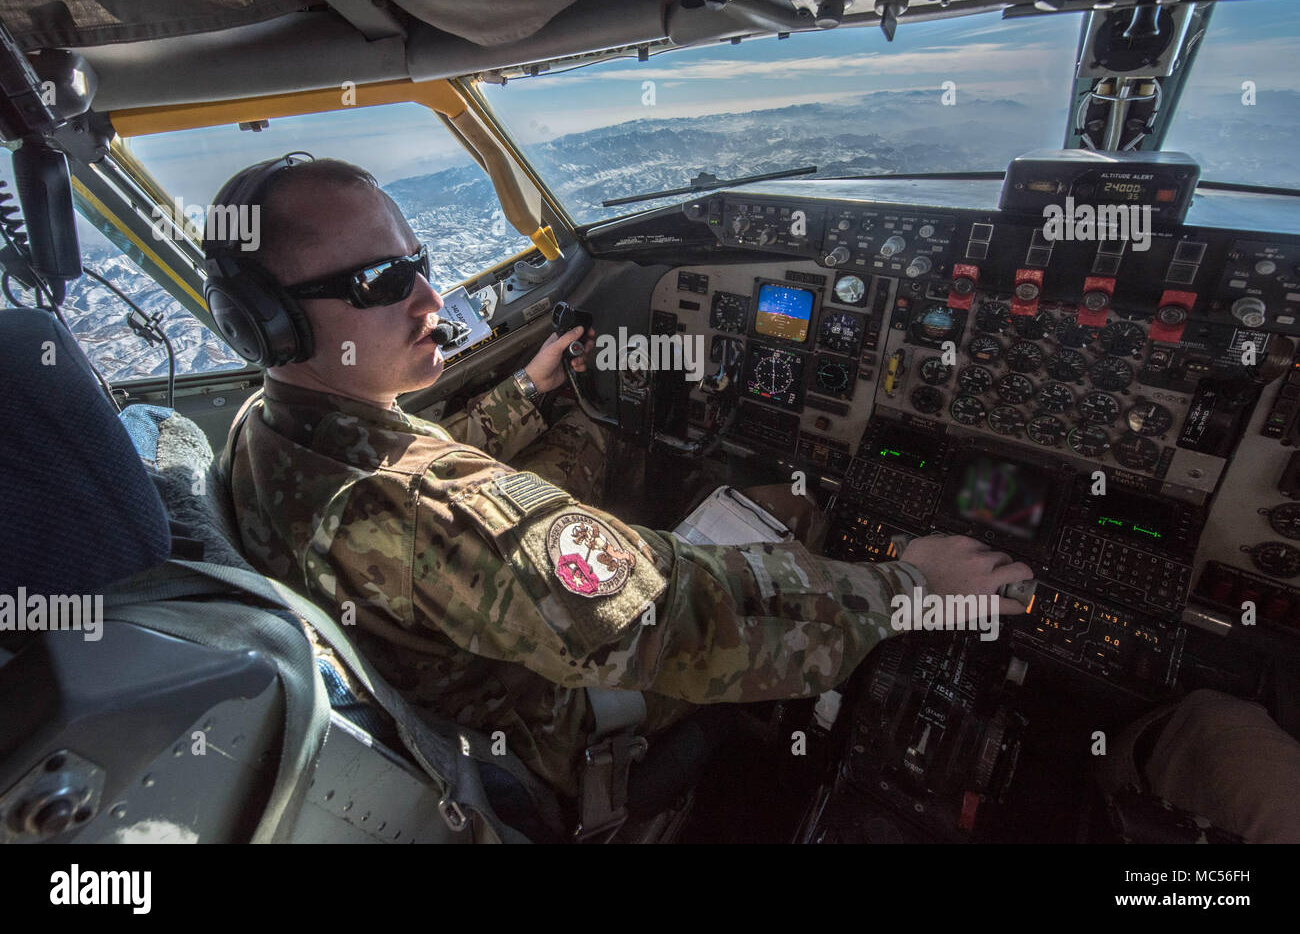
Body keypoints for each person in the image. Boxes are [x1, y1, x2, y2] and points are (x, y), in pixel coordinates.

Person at [213, 154, 1030, 806]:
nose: (430, 297)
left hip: (456, 677)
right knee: (787, 507)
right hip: (559, 729)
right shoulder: (434, 508)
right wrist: (910, 584)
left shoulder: (268, 427)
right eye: (382, 283)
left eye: (418, 264)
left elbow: (417, 451)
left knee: (585, 440)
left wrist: (530, 388)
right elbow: (679, 618)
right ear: (271, 325)